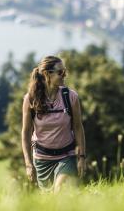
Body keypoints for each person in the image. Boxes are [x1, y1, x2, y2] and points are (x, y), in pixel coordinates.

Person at [21, 55, 86, 191]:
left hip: (66, 156)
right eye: (60, 72)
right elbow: (26, 133)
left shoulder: (70, 97)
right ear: (47, 74)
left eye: (65, 71)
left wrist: (81, 157)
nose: (64, 75)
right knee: (50, 201)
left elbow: (78, 128)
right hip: (42, 160)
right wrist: (28, 164)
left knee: (60, 190)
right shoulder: (30, 99)